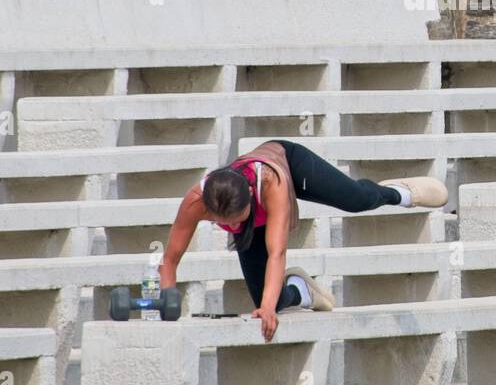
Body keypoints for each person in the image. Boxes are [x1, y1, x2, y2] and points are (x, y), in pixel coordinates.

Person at [158, 140, 446, 341]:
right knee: (266, 301)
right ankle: (302, 291)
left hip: (290, 165)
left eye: (237, 219)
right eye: (224, 223)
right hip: (254, 218)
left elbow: (277, 253)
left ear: (249, 195)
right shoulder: (196, 201)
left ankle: (399, 193)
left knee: (357, 200)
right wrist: (167, 303)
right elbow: (170, 260)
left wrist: (268, 309)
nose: (232, 226)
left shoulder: (270, 184)